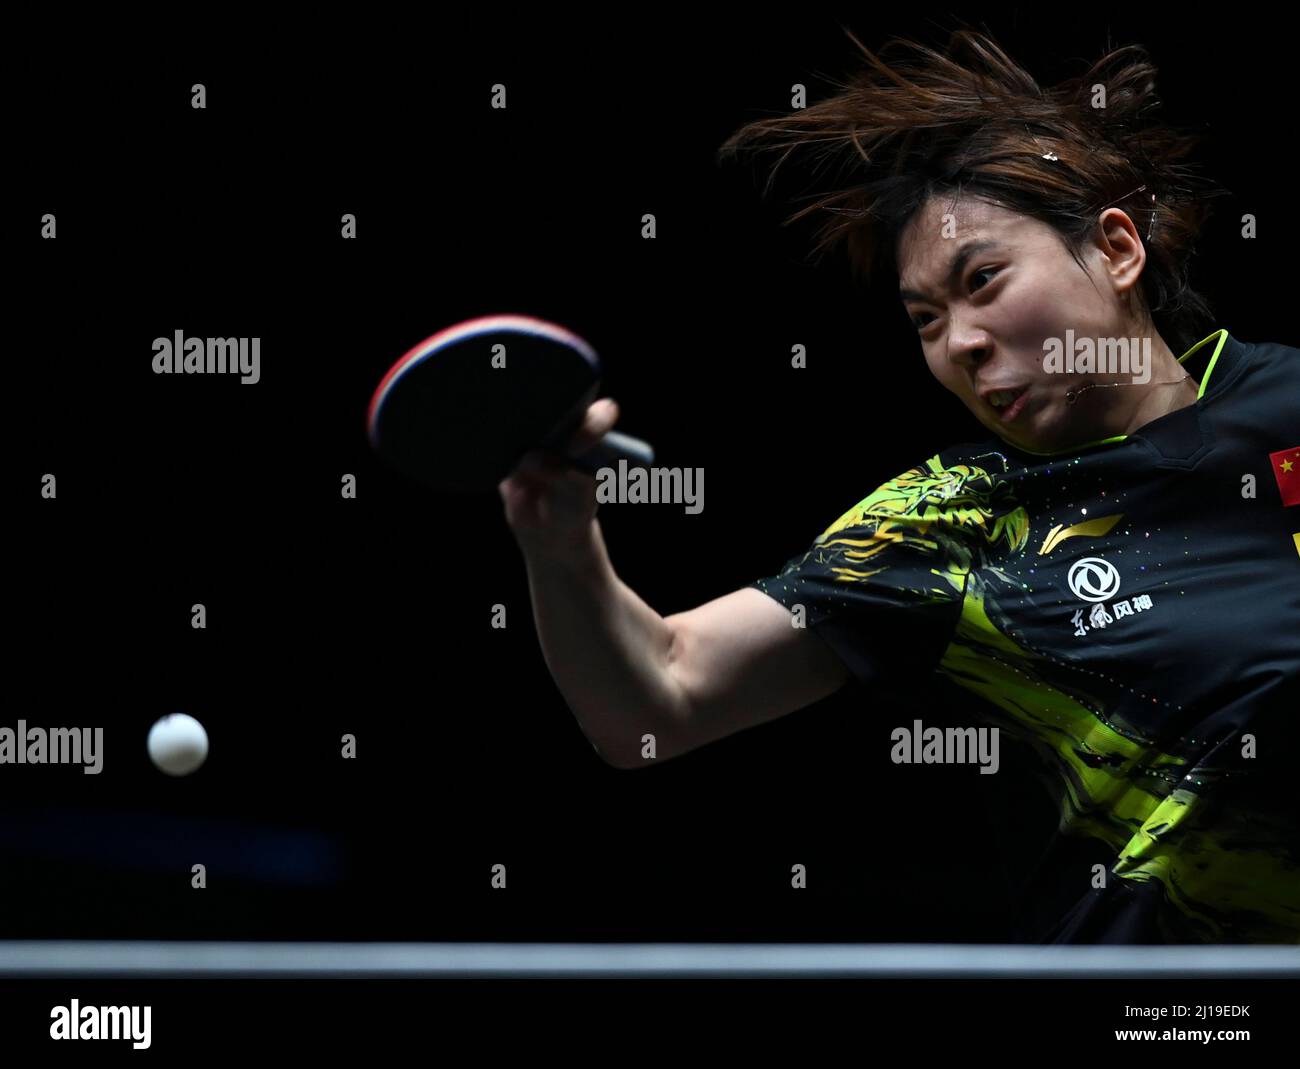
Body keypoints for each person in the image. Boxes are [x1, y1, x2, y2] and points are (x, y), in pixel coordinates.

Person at [498, 27, 1299, 944]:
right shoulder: (953, 519)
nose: (958, 340)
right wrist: (559, 545)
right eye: (925, 318)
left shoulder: (1288, 399)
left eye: (983, 280)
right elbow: (655, 698)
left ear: (1116, 249)